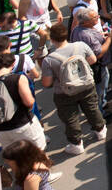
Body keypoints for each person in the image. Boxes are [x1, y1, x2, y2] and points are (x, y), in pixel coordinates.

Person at [42, 22, 107, 154]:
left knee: (70, 117)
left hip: (64, 92)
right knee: (92, 108)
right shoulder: (80, 46)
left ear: (52, 39)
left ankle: (76, 144)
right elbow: (93, 60)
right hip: (86, 85)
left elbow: (46, 83)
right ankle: (100, 130)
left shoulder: (49, 60)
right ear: (66, 35)